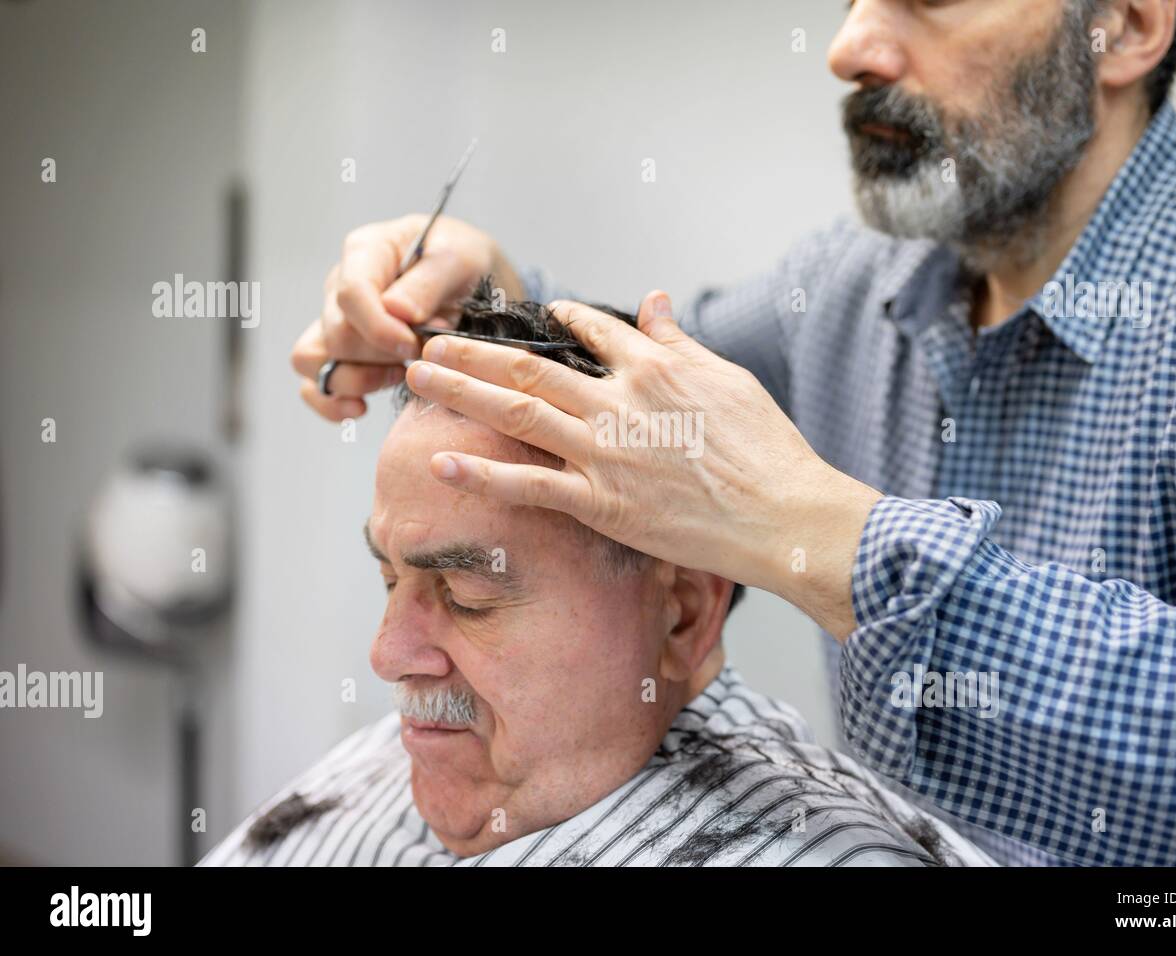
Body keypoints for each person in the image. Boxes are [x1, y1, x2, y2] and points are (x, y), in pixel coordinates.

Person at [291, 0, 1176, 865]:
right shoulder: (863, 281)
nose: (849, 44)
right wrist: (495, 292)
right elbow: (661, 401)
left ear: (1123, 26)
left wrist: (825, 536)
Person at [207, 285, 993, 867]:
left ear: (681, 618)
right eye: (390, 582)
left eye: (467, 596)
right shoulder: (414, 750)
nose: (388, 655)